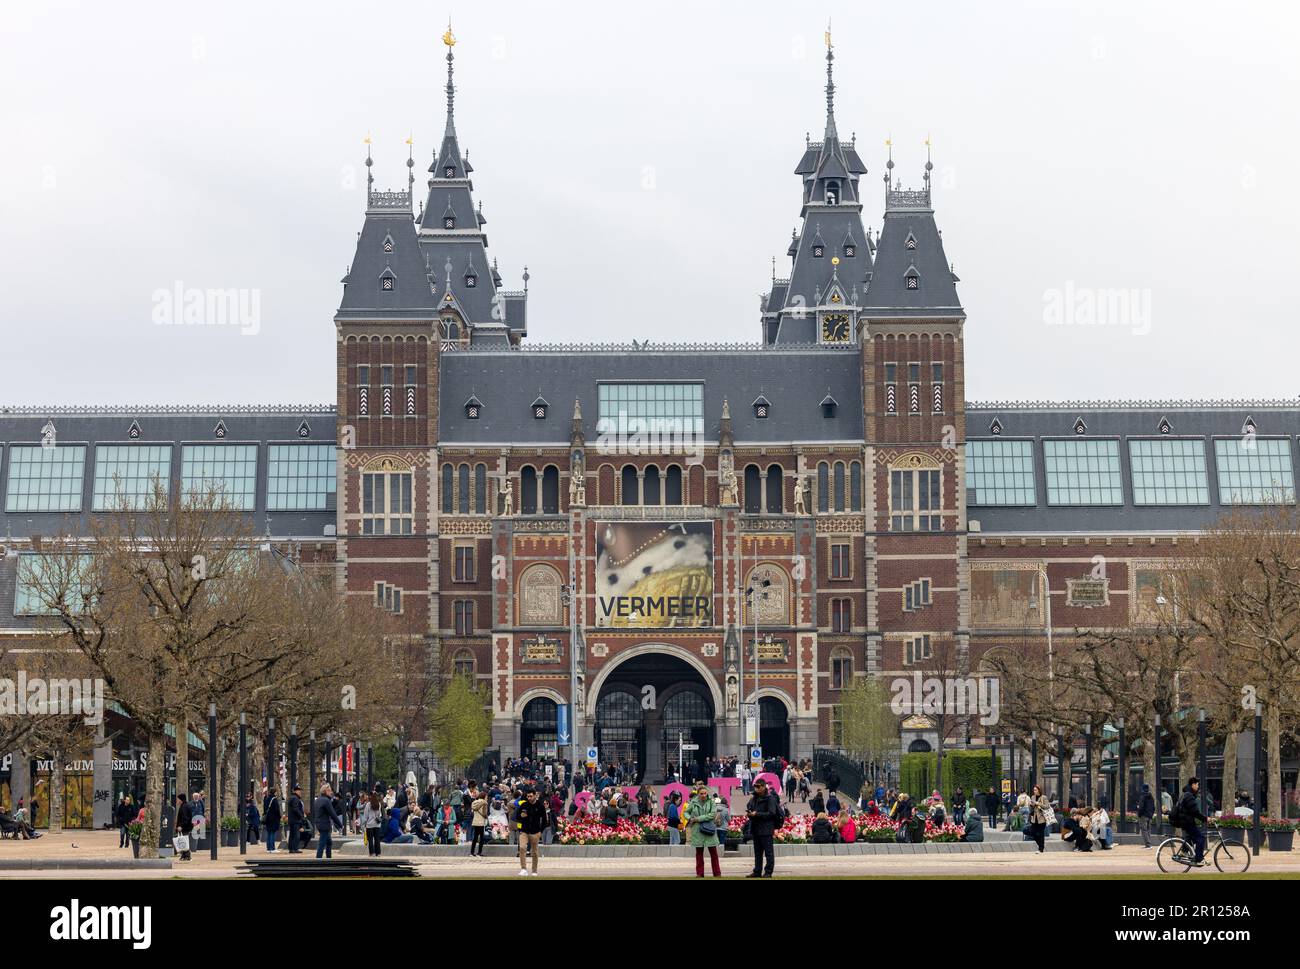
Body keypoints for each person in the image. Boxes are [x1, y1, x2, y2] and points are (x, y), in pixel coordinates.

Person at [684, 784, 722, 878]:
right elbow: (685, 812)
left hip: (709, 829)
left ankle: (717, 873)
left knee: (714, 853)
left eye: (705, 793)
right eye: (701, 793)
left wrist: (698, 819)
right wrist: (690, 818)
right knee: (699, 854)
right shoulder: (693, 802)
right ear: (698, 794)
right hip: (697, 830)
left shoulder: (711, 802)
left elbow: (712, 815)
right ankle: (700, 873)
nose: (704, 795)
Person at [745, 778, 780, 878]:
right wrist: (750, 813)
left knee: (768, 853)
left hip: (766, 829)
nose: (756, 788)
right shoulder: (754, 798)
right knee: (757, 853)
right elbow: (750, 808)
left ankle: (768, 872)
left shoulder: (770, 798)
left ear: (764, 787)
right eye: (755, 786)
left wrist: (757, 814)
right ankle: (757, 871)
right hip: (756, 828)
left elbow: (772, 813)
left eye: (758, 786)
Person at [1173, 778, 1208, 866]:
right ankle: (1199, 859)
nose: (1198, 786)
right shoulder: (1189, 796)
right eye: (1197, 784)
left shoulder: (1186, 794)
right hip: (1187, 821)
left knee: (1190, 837)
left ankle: (1184, 851)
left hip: (1184, 821)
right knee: (1201, 838)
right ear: (1193, 785)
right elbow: (1195, 812)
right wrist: (1206, 819)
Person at [515, 788, 549, 876]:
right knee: (522, 847)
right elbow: (517, 816)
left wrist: (540, 831)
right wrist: (521, 817)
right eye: (527, 796)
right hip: (524, 831)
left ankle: (534, 871)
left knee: (534, 852)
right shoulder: (524, 805)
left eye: (530, 796)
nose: (529, 798)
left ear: (535, 795)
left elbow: (545, 820)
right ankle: (523, 869)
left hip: (535, 832)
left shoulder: (540, 806)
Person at [313, 783, 344, 859]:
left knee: (329, 842)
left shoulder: (318, 800)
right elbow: (333, 814)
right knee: (322, 844)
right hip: (325, 825)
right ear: (325, 791)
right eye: (329, 790)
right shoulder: (326, 801)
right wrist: (340, 825)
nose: (331, 792)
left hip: (319, 824)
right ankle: (318, 860)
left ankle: (328, 858)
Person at [1028, 784, 1050, 854]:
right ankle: (1040, 845)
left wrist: (1038, 803)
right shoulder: (1032, 797)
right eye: (1034, 790)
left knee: (1041, 834)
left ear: (1039, 790)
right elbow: (1031, 807)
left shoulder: (1044, 797)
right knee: (1032, 832)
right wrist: (1031, 805)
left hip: (1042, 818)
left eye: (1035, 790)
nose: (1034, 791)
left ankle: (1041, 849)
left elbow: (1047, 806)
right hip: (1034, 818)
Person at [360, 791, 384, 856]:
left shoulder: (368, 805)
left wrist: (363, 824)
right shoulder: (379, 804)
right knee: (377, 839)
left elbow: (366, 816)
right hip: (377, 825)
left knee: (370, 839)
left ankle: (372, 853)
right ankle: (378, 853)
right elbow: (380, 815)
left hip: (369, 825)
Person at [173, 793, 194, 861]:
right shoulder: (185, 805)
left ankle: (187, 855)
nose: (177, 801)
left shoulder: (184, 806)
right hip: (186, 826)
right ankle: (184, 855)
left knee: (184, 840)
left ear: (181, 799)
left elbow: (185, 818)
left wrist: (181, 826)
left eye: (178, 799)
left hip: (185, 827)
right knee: (184, 840)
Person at [469, 789, 489, 856]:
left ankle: (472, 852)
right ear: (484, 797)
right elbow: (485, 813)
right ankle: (479, 852)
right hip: (481, 822)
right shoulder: (485, 803)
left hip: (475, 821)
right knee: (481, 838)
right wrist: (486, 817)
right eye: (486, 797)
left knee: (475, 837)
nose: (487, 798)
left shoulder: (474, 802)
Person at [1136, 783, 1156, 849]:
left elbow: (1141, 807)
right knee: (1148, 830)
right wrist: (1151, 814)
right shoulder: (1151, 797)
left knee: (1144, 830)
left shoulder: (1142, 797)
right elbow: (1153, 807)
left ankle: (1148, 845)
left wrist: (1139, 814)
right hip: (1149, 815)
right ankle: (1148, 844)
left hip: (1143, 816)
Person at [287, 785, 306, 853]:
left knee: (292, 835)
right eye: (299, 790)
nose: (300, 792)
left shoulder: (292, 798)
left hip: (292, 819)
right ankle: (294, 848)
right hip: (295, 820)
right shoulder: (295, 798)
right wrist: (301, 816)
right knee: (296, 835)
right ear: (295, 791)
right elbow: (296, 809)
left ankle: (291, 848)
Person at [263, 786, 282, 852]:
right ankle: (272, 848)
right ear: (275, 792)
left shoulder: (266, 799)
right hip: (274, 819)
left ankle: (268, 848)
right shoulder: (274, 799)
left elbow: (265, 808)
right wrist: (279, 817)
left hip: (268, 818)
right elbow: (277, 810)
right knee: (273, 833)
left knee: (269, 833)